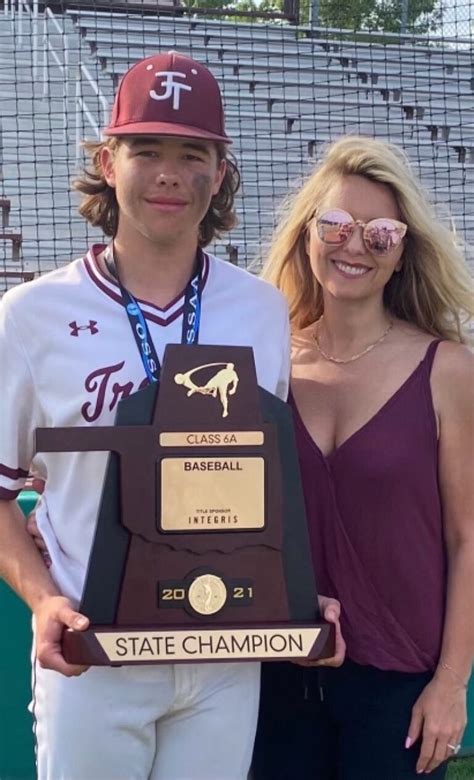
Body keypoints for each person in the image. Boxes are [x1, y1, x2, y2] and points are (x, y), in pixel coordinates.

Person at [0, 52, 343, 780]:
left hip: (226, 649)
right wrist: (43, 600)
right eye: (147, 150)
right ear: (108, 162)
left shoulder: (259, 310)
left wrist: (292, 593)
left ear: (219, 173)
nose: (169, 174)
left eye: (192, 155)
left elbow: (260, 482)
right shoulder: (30, 315)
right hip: (96, 649)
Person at [252, 136, 474, 780]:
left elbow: (467, 538)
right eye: (336, 224)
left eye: (380, 233)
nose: (355, 245)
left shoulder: (448, 370)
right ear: (307, 235)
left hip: (400, 685)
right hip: (277, 670)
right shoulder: (265, 363)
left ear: (402, 253)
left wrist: (451, 683)